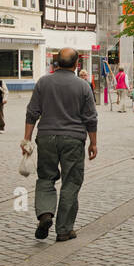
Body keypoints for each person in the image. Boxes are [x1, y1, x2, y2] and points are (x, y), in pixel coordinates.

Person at [24, 47, 99, 242]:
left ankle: (46, 213)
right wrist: (93, 142)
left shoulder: (43, 82)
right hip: (73, 138)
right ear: (77, 64)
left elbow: (32, 112)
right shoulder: (83, 86)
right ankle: (64, 229)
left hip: (47, 137)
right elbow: (91, 117)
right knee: (71, 182)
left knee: (45, 178)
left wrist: (27, 139)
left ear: (56, 63)